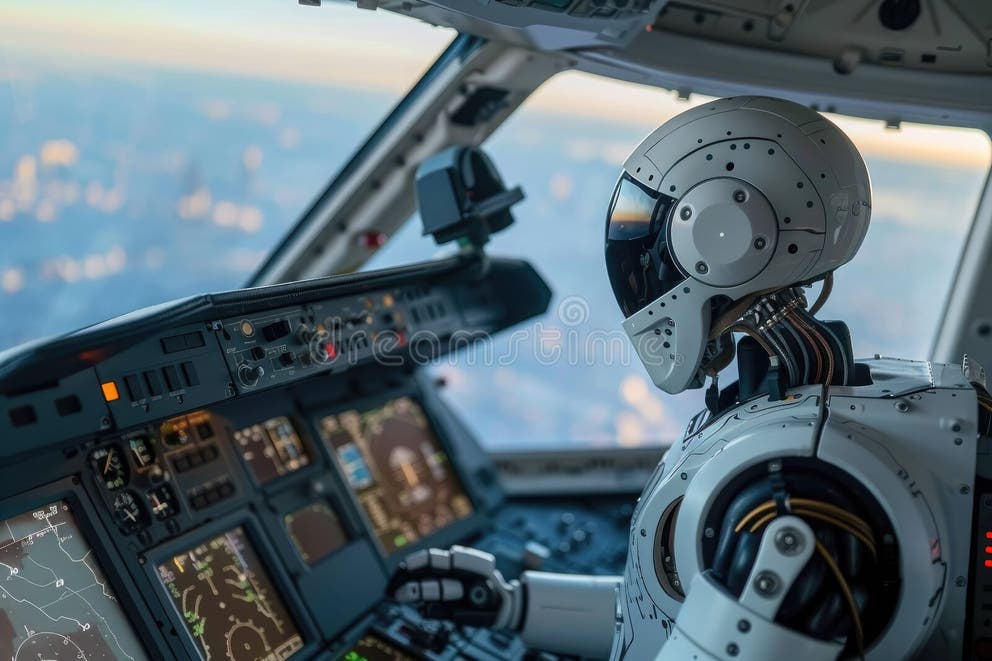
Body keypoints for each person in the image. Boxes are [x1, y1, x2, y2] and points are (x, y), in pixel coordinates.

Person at [389, 96, 982, 660]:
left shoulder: (793, 493)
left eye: (649, 232)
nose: (637, 260)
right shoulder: (808, 415)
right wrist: (512, 606)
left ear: (722, 236)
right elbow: (673, 624)